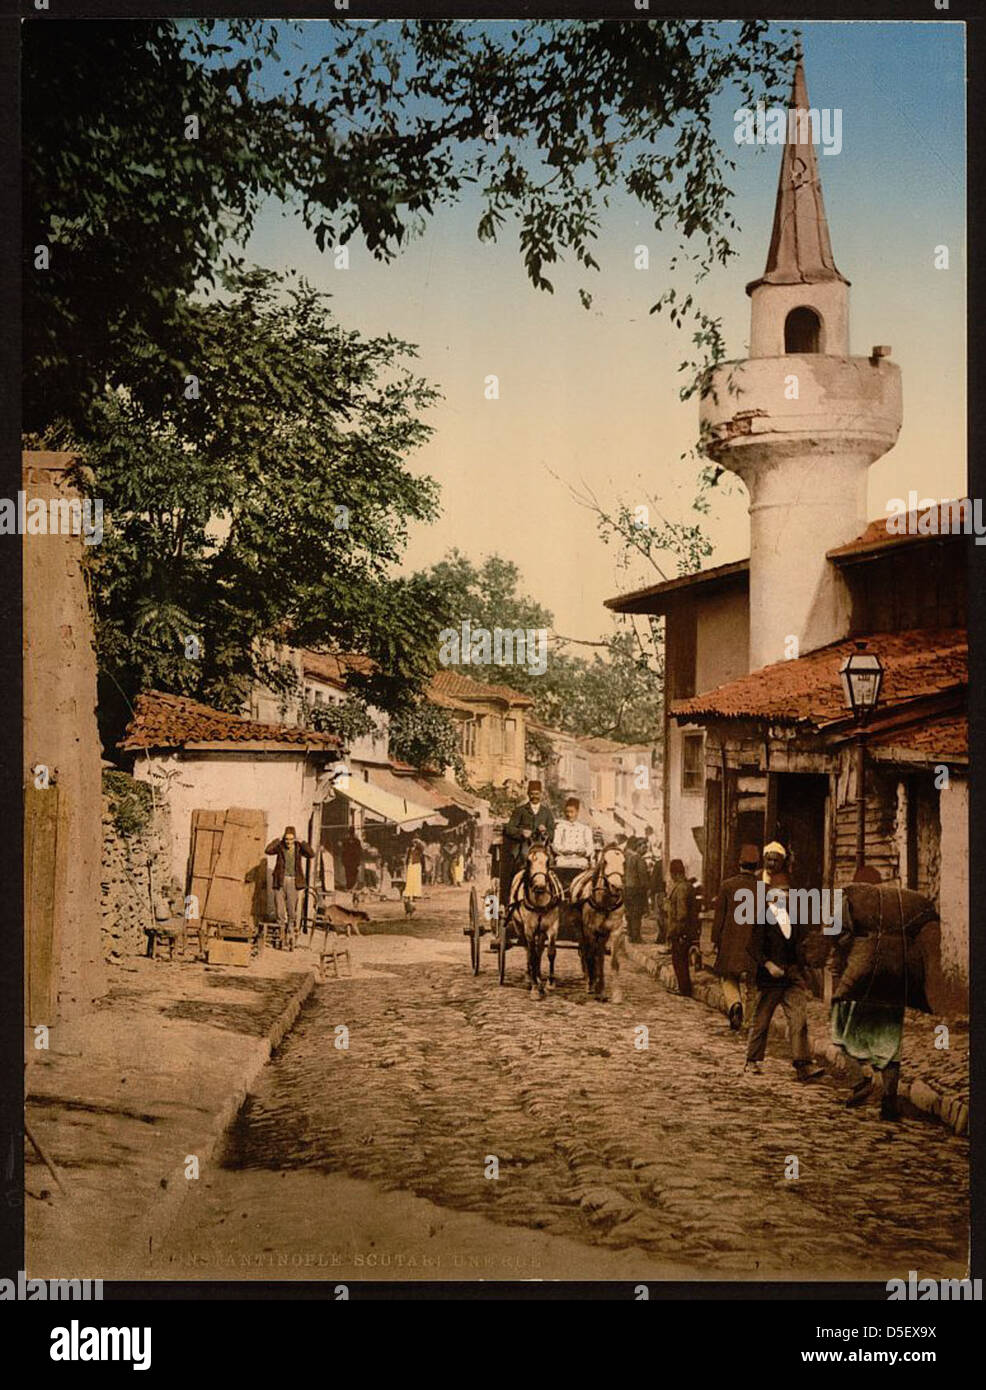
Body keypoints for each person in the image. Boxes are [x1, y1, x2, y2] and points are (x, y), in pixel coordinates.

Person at [744, 841, 824, 1082]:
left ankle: (803, 1065)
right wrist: (768, 965)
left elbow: (802, 944)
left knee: (799, 1019)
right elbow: (753, 947)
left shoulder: (797, 917)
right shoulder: (764, 917)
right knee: (762, 1019)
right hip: (770, 978)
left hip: (791, 976)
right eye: (779, 894)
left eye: (787, 893)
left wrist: (805, 968)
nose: (784, 897)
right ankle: (752, 1060)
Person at [712, 844, 760, 1030]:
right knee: (753, 983)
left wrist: (715, 939)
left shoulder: (727, 886)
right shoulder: (764, 888)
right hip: (755, 943)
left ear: (739, 863)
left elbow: (719, 918)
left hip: (731, 941)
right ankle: (751, 1021)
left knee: (728, 977)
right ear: (756, 866)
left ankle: (735, 1005)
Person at [500, 781, 555, 914]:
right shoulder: (520, 811)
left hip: (542, 848)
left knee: (550, 865)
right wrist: (521, 832)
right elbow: (508, 828)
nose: (535, 796)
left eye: (537, 793)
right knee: (523, 860)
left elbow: (552, 833)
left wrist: (545, 831)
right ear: (528, 794)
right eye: (532, 793)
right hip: (524, 846)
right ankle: (509, 900)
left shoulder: (546, 812)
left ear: (541, 794)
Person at [265, 825, 315, 931]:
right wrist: (278, 839)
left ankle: (290, 930)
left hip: (293, 881)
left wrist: (302, 842)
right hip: (280, 881)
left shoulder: (299, 848)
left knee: (291, 909)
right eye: (286, 839)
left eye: (291, 839)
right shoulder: (280, 846)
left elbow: (311, 854)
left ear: (295, 839)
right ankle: (281, 932)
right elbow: (268, 850)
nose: (288, 842)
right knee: (279, 909)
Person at [666, 859, 699, 996]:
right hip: (686, 929)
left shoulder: (681, 888)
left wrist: (676, 932)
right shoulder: (687, 886)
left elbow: (682, 913)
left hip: (680, 930)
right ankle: (683, 986)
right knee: (681, 960)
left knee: (679, 960)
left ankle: (683, 988)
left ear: (675, 874)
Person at [551, 796, 594, 892]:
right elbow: (556, 844)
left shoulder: (584, 828)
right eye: (567, 812)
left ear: (577, 812)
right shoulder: (560, 827)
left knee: (583, 868)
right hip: (564, 859)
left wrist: (584, 852)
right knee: (560, 866)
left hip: (579, 859)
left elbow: (590, 846)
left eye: (572, 812)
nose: (569, 815)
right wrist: (564, 851)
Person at [623, 837, 650, 945]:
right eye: (644, 847)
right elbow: (643, 876)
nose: (646, 849)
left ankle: (630, 935)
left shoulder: (628, 858)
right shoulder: (639, 859)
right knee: (637, 914)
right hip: (637, 889)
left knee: (629, 913)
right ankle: (636, 937)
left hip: (627, 888)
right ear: (638, 847)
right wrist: (647, 888)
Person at [403, 838, 425, 916]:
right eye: (413, 842)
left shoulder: (419, 850)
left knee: (416, 879)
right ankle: (409, 893)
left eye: (415, 843)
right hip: (411, 865)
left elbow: (422, 849)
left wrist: (419, 841)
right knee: (410, 879)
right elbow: (408, 857)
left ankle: (415, 893)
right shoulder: (410, 849)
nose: (414, 844)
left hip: (416, 865)